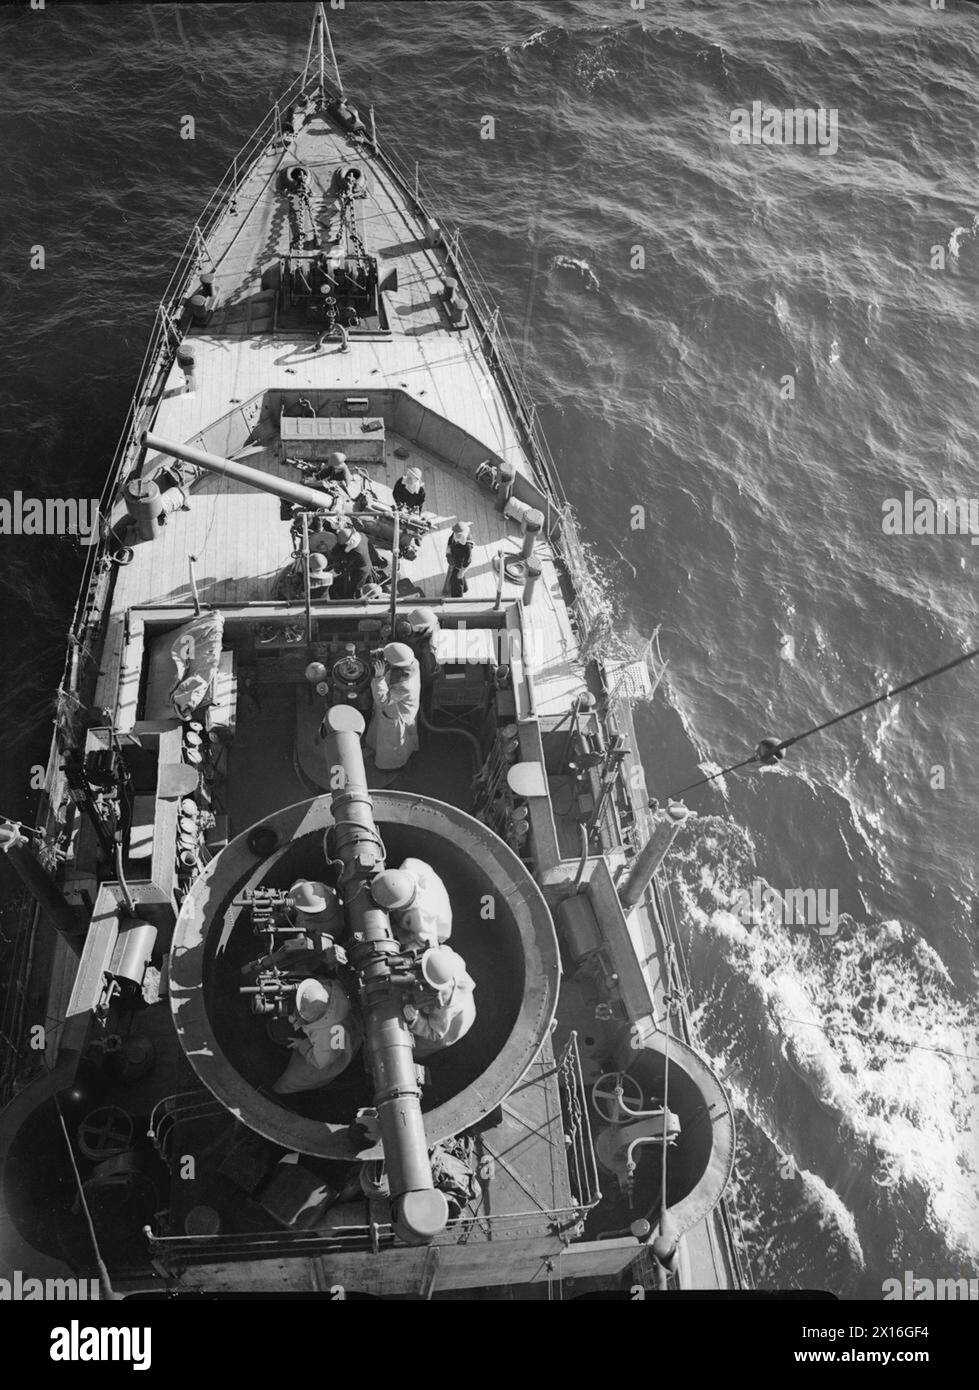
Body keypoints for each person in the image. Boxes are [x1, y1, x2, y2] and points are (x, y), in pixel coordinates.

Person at [272, 977, 361, 1094]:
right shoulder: (327, 992)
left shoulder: (325, 1035)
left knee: (290, 1081)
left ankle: (276, 1092)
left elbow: (321, 1062)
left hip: (328, 1057)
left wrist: (301, 1045)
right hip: (349, 1024)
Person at [402, 947, 476, 1059]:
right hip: (460, 1003)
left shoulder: (445, 1005)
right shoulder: (440, 957)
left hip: (450, 1026)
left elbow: (435, 1034)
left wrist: (415, 1020)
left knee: (409, 1049)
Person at [370, 858, 452, 949]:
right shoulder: (408, 865)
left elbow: (427, 944)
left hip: (435, 926)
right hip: (430, 895)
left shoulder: (421, 917)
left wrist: (398, 937)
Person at [365, 642, 420, 770]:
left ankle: (390, 767)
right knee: (379, 734)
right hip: (391, 709)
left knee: (391, 745)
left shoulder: (405, 685)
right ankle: (374, 748)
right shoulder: (411, 662)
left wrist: (379, 678)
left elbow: (383, 700)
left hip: (396, 715)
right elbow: (395, 654)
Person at [328, 520, 376, 600]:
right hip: (366, 562)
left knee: (355, 587)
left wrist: (336, 568)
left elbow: (346, 562)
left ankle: (352, 599)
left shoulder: (357, 552)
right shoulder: (362, 535)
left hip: (361, 570)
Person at [406, 607, 441, 687]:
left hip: (422, 680)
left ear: (420, 628)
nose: (410, 625)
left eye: (412, 624)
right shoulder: (430, 625)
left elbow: (426, 675)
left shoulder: (427, 649)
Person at [443, 522, 474, 597]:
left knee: (456, 581)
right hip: (454, 559)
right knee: (457, 578)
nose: (456, 535)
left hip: (459, 565)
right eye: (455, 533)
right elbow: (450, 542)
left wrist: (462, 571)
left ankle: (457, 598)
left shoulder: (467, 545)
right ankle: (465, 588)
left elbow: (468, 560)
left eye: (459, 534)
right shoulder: (455, 534)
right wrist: (448, 554)